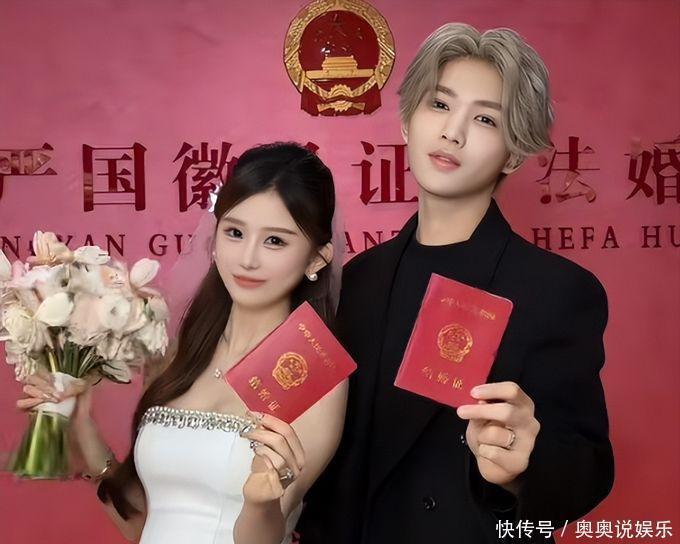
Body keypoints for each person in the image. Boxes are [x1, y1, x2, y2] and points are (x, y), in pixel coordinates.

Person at [297, 23, 614, 544]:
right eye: (440, 105)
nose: (453, 132)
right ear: (407, 120)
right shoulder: (355, 281)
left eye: (485, 118)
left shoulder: (555, 291)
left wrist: (523, 464)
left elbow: (589, 469)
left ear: (514, 153)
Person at [16, 142, 347, 544]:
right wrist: (82, 426)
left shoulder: (312, 373)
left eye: (275, 241)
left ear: (316, 259)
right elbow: (143, 526)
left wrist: (260, 504)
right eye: (235, 232)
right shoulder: (182, 352)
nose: (247, 258)